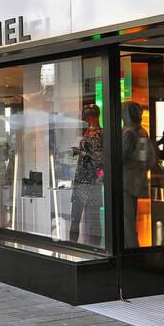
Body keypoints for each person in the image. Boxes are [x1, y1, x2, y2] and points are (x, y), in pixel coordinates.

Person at [121, 101, 157, 246]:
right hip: (136, 181)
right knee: (130, 220)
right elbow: (146, 159)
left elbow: (120, 157)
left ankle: (131, 252)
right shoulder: (142, 131)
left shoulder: (128, 133)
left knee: (127, 222)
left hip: (125, 181)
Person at [68, 103, 104, 245]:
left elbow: (97, 156)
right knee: (79, 215)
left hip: (89, 179)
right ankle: (75, 244)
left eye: (86, 115)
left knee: (89, 215)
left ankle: (90, 246)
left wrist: (80, 152)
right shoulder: (91, 131)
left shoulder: (97, 133)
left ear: (90, 116)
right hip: (85, 178)